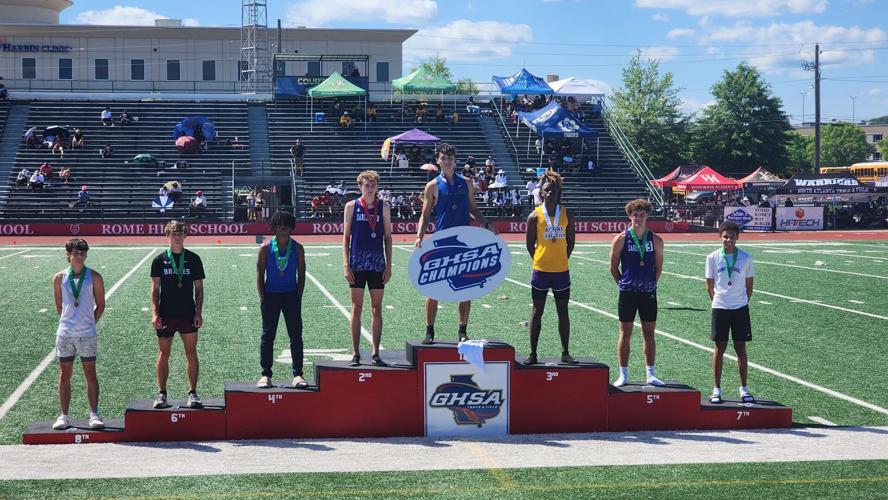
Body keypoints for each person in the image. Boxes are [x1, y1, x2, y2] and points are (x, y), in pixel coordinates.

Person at [415, 143, 495, 344]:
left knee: (466, 287)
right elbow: (425, 214)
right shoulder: (432, 186)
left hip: (464, 240)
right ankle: (429, 331)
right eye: (444, 158)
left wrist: (486, 224)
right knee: (433, 288)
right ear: (438, 160)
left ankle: (462, 330)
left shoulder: (467, 182)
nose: (447, 161)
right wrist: (419, 236)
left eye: (450, 157)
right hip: (441, 240)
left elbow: (474, 209)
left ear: (455, 160)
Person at [608, 198, 665, 387]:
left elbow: (658, 267)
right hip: (628, 293)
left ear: (647, 216)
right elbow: (613, 267)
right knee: (625, 334)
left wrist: (650, 285)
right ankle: (623, 375)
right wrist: (623, 284)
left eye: (642, 215)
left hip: (648, 293)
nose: (638, 218)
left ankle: (651, 374)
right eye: (635, 215)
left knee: (649, 334)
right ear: (630, 216)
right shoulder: (620, 239)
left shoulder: (656, 240)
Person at [51, 238, 106, 430]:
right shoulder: (59, 278)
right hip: (65, 333)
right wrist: (70, 322)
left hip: (87, 334)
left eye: (82, 253)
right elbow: (59, 307)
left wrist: (89, 323)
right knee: (64, 375)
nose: (79, 256)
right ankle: (64, 416)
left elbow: (101, 305)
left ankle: (94, 414)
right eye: (75, 253)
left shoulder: (95, 277)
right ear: (68, 255)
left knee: (90, 373)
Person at [150, 221, 205, 409]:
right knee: (164, 353)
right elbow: (154, 289)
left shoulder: (194, 259)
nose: (178, 236)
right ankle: (162, 394)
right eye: (174, 233)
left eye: (181, 233)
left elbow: (199, 289)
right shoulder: (159, 260)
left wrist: (198, 312)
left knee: (191, 352)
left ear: (185, 235)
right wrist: (155, 313)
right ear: (167, 235)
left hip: (187, 313)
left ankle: (192, 393)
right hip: (166, 314)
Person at [523, 171, 577, 364]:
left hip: (561, 272)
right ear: (541, 193)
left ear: (558, 192)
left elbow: (571, 242)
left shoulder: (567, 214)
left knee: (563, 312)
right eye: (547, 190)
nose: (550, 193)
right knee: (537, 311)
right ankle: (533, 354)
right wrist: (541, 259)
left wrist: (561, 259)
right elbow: (530, 245)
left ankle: (565, 352)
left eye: (553, 190)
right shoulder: (534, 216)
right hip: (541, 272)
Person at [342, 170, 393, 366]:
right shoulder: (351, 206)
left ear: (377, 186)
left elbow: (388, 238)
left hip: (377, 264)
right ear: (360, 186)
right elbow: (346, 238)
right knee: (356, 307)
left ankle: (375, 353)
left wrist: (388, 266)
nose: (370, 188)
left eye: (373, 185)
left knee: (376, 308)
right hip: (357, 263)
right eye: (366, 185)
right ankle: (355, 353)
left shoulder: (384, 207)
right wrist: (346, 264)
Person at [705, 220, 756, 404]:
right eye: (725, 236)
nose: (729, 240)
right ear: (720, 237)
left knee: (741, 348)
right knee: (719, 348)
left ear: (737, 237)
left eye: (732, 237)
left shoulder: (746, 257)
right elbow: (709, 285)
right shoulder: (712, 257)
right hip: (720, 307)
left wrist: (741, 301)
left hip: (740, 308)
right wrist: (720, 301)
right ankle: (716, 390)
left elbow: (749, 286)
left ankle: (743, 389)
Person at [256, 211, 307, 389]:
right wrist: (262, 297)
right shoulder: (265, 248)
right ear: (274, 227)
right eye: (279, 223)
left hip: (291, 296)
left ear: (291, 227)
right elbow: (259, 274)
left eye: (286, 223)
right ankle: (266, 375)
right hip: (270, 296)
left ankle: (298, 374)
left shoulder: (298, 248)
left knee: (296, 336)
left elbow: (301, 274)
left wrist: (298, 296)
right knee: (267, 336)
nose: (283, 227)